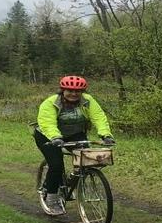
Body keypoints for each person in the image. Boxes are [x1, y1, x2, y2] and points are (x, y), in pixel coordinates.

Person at [33, 75, 114, 215]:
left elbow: (98, 117)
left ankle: (74, 178)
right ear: (62, 90)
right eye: (69, 90)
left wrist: (105, 134)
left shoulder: (88, 101)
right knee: (56, 164)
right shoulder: (50, 103)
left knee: (87, 159)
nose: (74, 94)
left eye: (77, 91)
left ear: (82, 92)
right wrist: (56, 137)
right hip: (47, 135)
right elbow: (47, 123)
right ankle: (51, 196)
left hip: (75, 134)